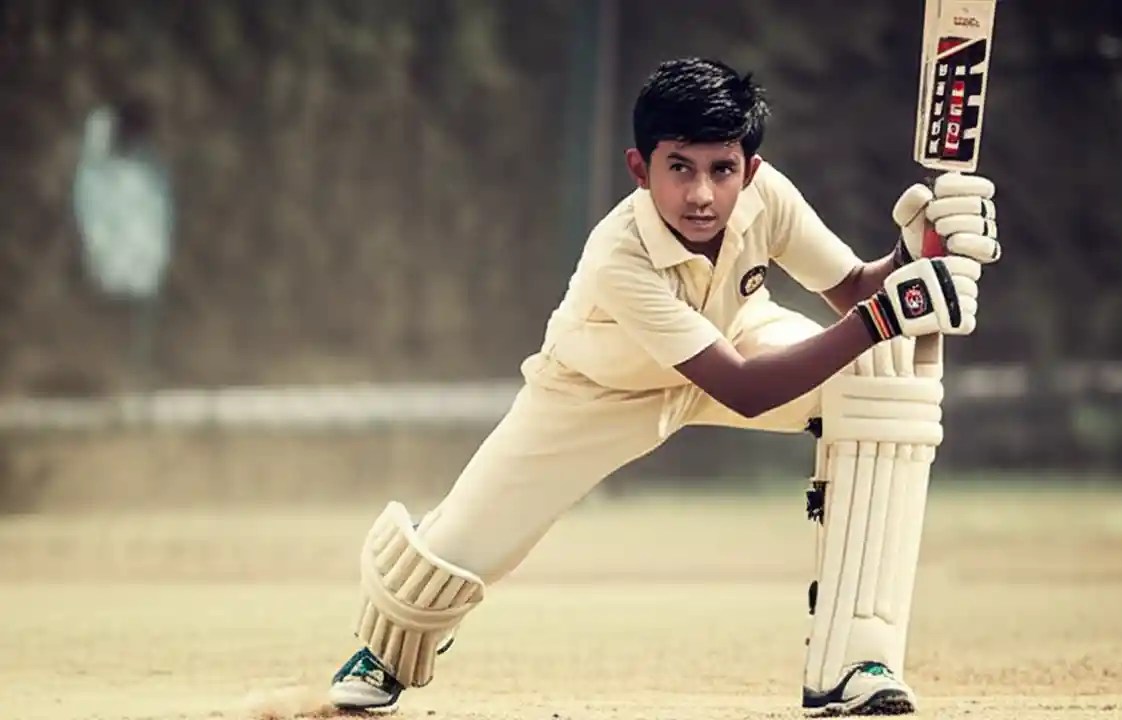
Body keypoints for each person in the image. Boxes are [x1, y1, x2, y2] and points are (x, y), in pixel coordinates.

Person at [328, 57, 1000, 716]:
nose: (702, 194)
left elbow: (854, 288)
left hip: (735, 338)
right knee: (453, 558)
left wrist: (917, 255)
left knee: (876, 376)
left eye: (721, 170)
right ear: (640, 168)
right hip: (595, 389)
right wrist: (883, 316)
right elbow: (747, 389)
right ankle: (384, 652)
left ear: (751, 169)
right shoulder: (618, 254)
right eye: (679, 167)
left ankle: (856, 659)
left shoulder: (769, 197)